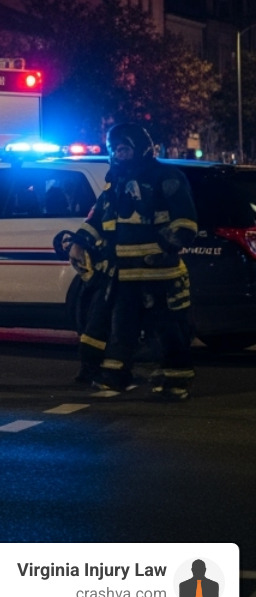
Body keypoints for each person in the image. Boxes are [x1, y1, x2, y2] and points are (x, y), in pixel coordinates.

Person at [69, 122, 198, 400]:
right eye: (115, 149)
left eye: (125, 148)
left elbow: (186, 221)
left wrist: (169, 245)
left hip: (159, 275)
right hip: (125, 275)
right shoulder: (115, 182)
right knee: (120, 330)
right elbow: (99, 217)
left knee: (167, 331)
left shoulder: (167, 177)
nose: (119, 154)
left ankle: (176, 382)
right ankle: (115, 377)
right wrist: (79, 243)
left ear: (140, 148)